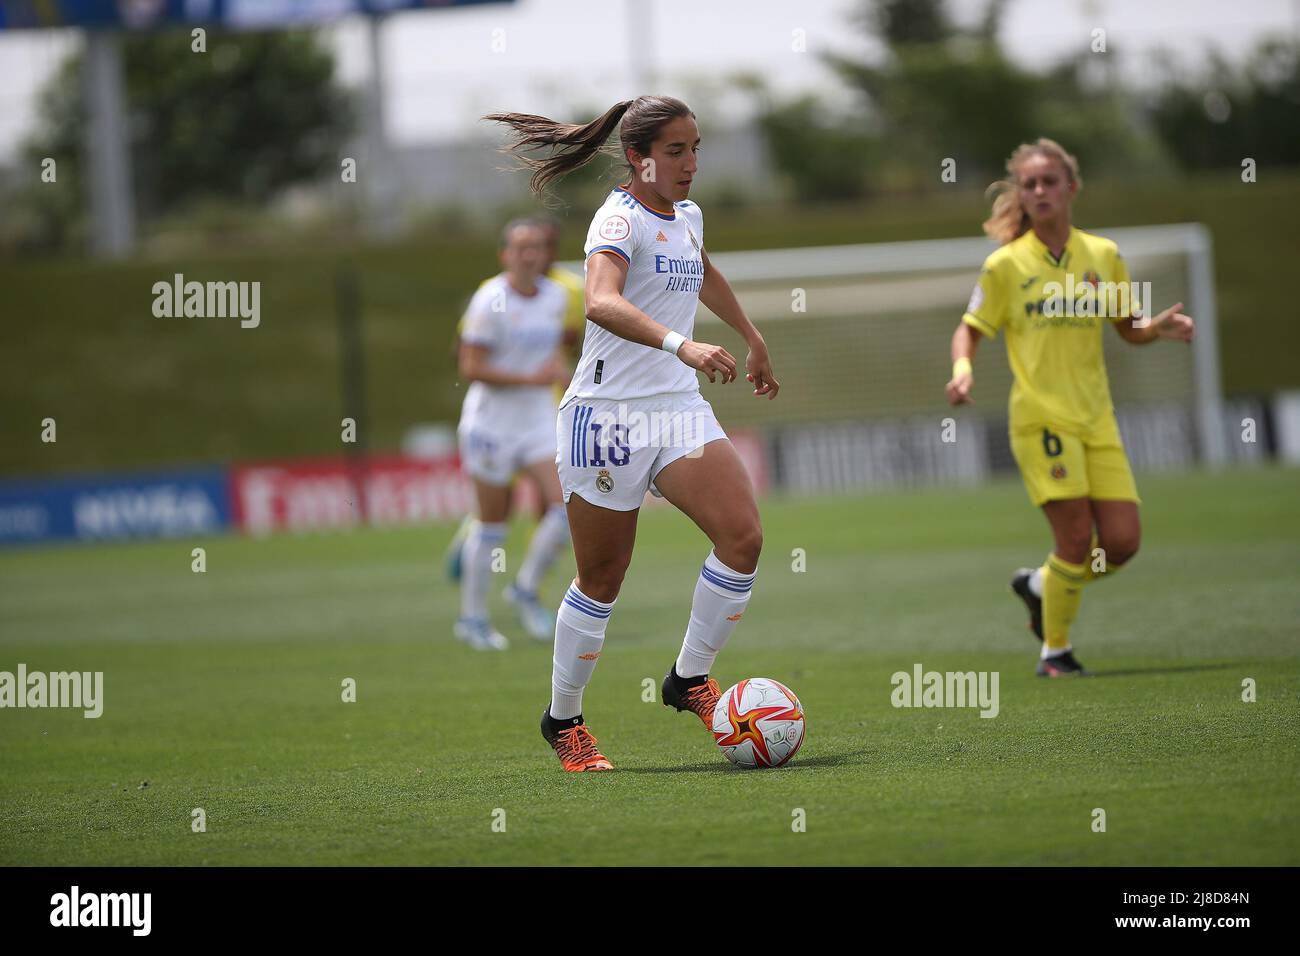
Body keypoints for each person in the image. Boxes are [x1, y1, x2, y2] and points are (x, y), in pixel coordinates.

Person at [484, 95, 780, 771]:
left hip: (675, 407)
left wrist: (751, 334)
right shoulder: (618, 218)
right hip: (606, 416)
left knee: (743, 537)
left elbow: (699, 269)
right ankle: (564, 721)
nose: (691, 163)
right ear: (640, 158)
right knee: (602, 578)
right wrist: (684, 344)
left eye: (696, 148)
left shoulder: (686, 215)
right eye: (676, 151)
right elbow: (600, 301)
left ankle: (689, 678)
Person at [945, 138, 1194, 677]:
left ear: (1071, 188)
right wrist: (962, 371)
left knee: (1123, 544)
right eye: (1029, 184)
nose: (1039, 191)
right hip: (1040, 418)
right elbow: (968, 332)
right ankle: (1055, 652)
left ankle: (1041, 585)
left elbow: (1129, 329)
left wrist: (1158, 329)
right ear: (1022, 194)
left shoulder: (1102, 256)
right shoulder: (1006, 266)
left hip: (1097, 418)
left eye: (1049, 182)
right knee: (1077, 539)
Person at [454, 219, 574, 649]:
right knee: (492, 528)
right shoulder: (491, 299)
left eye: (537, 247)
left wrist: (559, 370)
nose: (530, 255)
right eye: (521, 248)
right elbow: (470, 367)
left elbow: (549, 351)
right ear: (505, 255)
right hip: (491, 426)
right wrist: (531, 379)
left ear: (546, 253)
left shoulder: (556, 295)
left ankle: (524, 588)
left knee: (568, 509)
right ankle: (472, 618)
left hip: (538, 421)